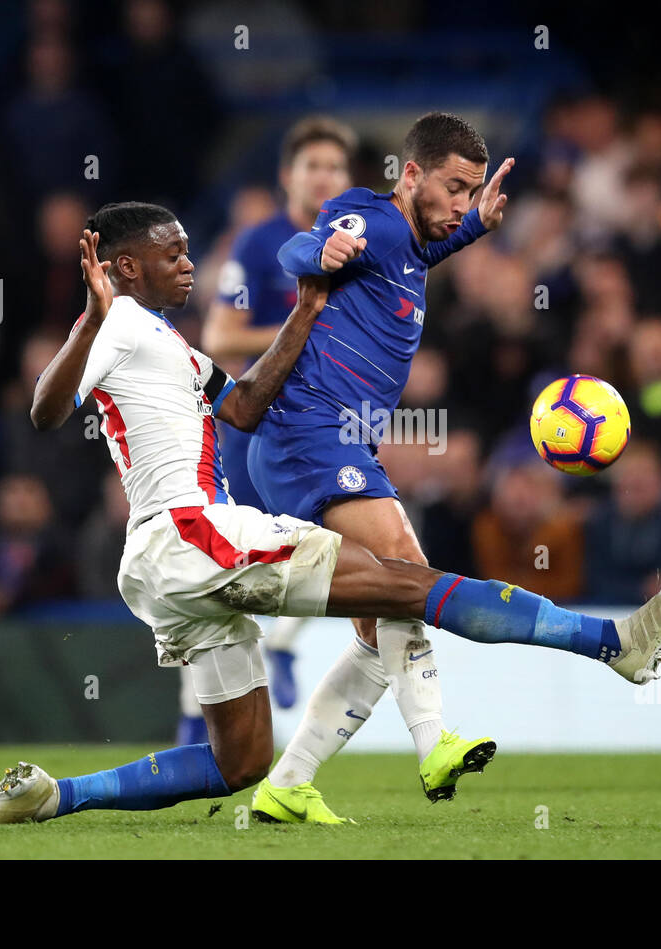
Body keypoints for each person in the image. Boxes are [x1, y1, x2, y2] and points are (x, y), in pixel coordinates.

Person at [0, 202, 661, 825]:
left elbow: (243, 404)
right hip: (195, 530)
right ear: (126, 267)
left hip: (163, 560)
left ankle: (52, 797)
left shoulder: (168, 343)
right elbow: (42, 410)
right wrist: (88, 320)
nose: (189, 263)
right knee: (405, 582)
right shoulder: (117, 324)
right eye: (172, 254)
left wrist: (303, 313)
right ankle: (610, 641)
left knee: (241, 761)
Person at [247, 112, 514, 817]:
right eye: (455, 187)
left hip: (337, 441)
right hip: (307, 431)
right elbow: (300, 249)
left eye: (473, 190)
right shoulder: (372, 217)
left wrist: (477, 225)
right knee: (403, 565)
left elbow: (417, 253)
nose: (460, 201)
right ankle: (434, 743)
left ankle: (287, 784)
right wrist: (317, 253)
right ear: (412, 174)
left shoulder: (408, 243)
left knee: (377, 622)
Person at [198, 116, 358, 717]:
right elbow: (219, 334)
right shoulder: (258, 243)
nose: (325, 177)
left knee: (341, 539)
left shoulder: (360, 244)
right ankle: (207, 716)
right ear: (288, 176)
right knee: (239, 561)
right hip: (253, 423)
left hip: (327, 419)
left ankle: (284, 648)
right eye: (313, 166)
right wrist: (305, 325)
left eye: (335, 168)